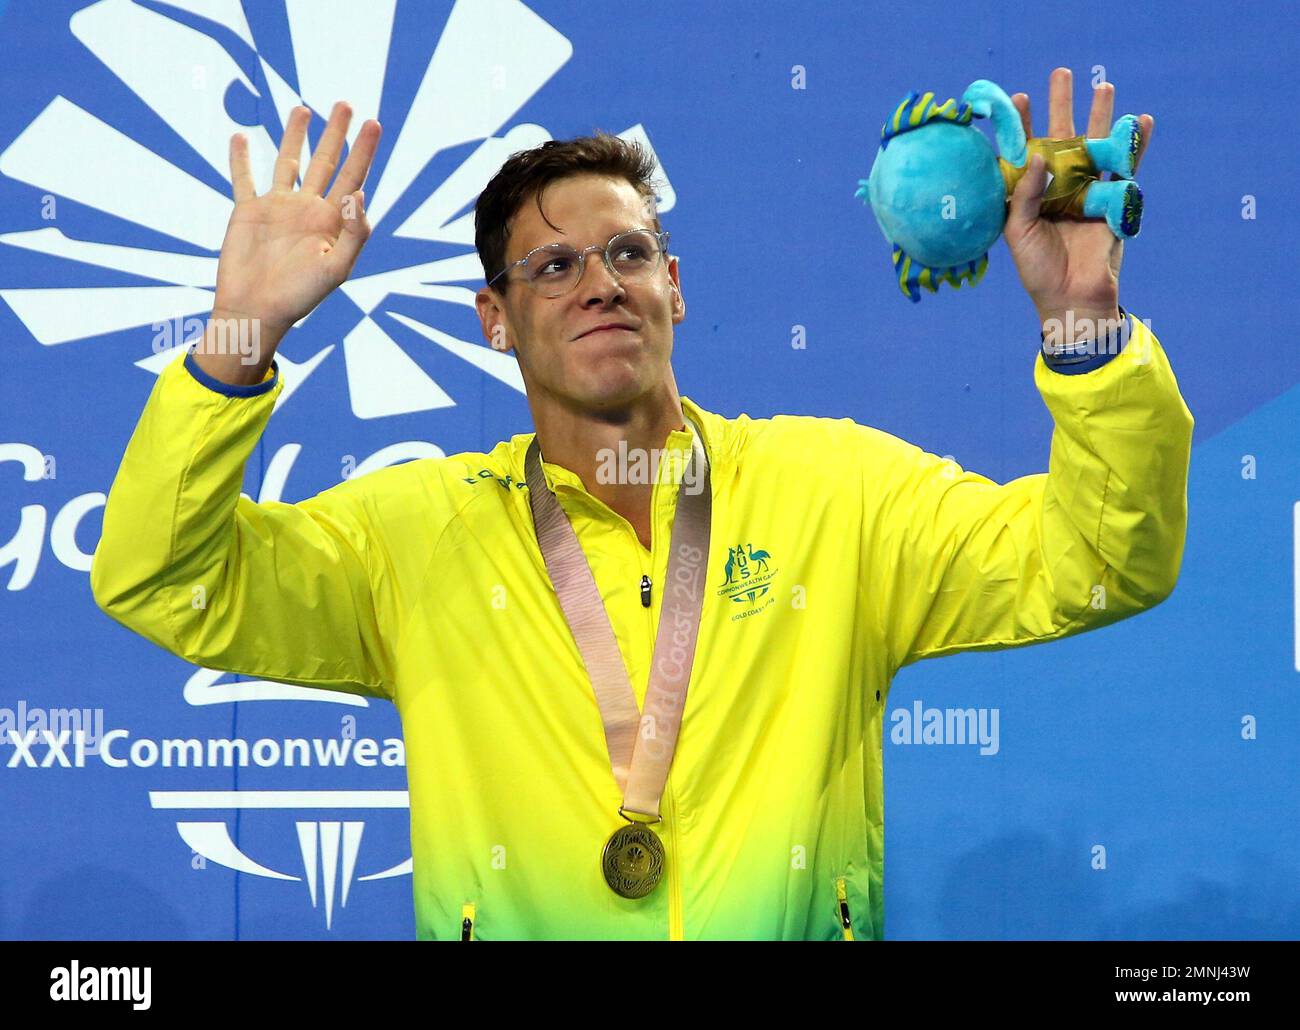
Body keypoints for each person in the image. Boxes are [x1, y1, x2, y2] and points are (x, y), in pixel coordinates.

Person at [91, 69, 1193, 940]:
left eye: (629, 252)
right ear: (493, 318)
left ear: (676, 282)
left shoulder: (837, 491)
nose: (599, 283)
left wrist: (1085, 325)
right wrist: (241, 332)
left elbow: (1100, 560)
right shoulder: (410, 537)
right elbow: (162, 575)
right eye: (552, 266)